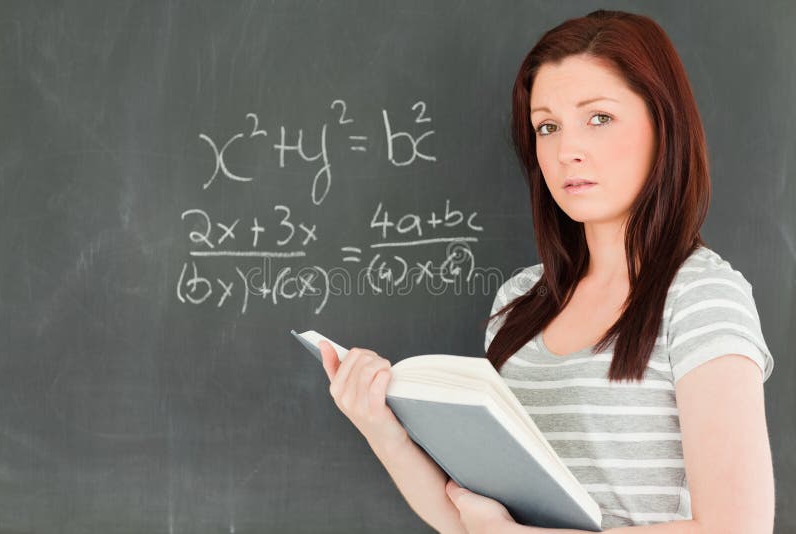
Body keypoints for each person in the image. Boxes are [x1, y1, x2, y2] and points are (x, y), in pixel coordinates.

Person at [318, 9, 775, 533]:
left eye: (598, 118)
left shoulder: (701, 297)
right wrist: (379, 425)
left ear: (662, 125)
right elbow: (469, 518)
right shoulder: (520, 302)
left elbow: (738, 526)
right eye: (547, 126)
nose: (567, 151)